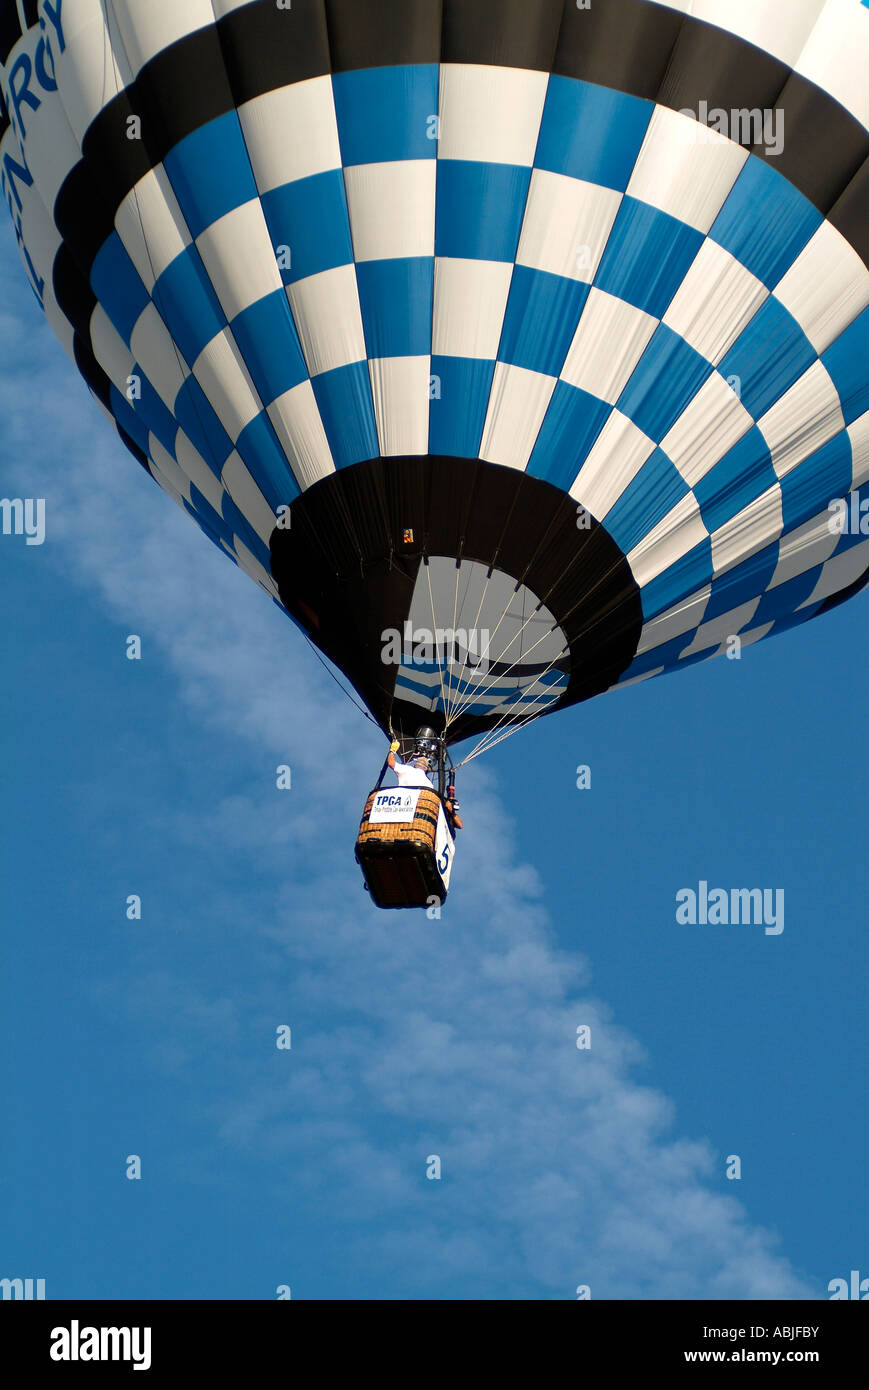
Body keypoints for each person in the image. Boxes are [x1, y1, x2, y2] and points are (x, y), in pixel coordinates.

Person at [387, 740, 463, 829]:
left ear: (415, 765)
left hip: (398, 808)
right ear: (427, 769)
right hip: (416, 818)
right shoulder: (429, 785)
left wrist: (392, 750)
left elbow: (391, 763)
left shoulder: (406, 770)